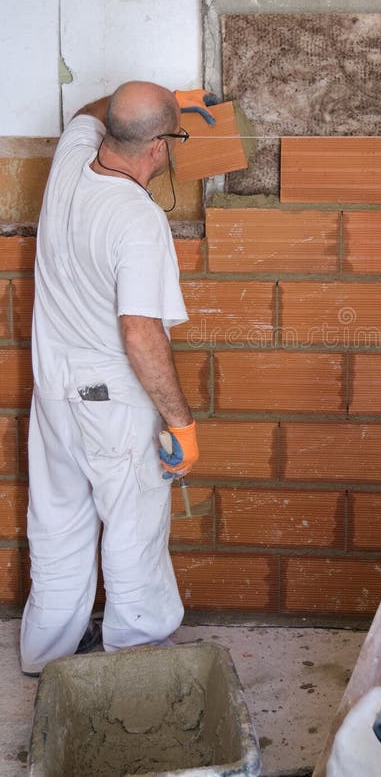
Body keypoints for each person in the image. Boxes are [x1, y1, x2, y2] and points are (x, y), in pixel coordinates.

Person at [20, 81, 199, 676]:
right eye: (174, 138)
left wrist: (165, 103)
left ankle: (48, 660)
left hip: (54, 396)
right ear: (158, 148)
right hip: (112, 405)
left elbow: (83, 114)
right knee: (134, 535)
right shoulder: (139, 221)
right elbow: (141, 333)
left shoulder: (70, 163)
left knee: (58, 530)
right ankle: (136, 666)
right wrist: (182, 422)